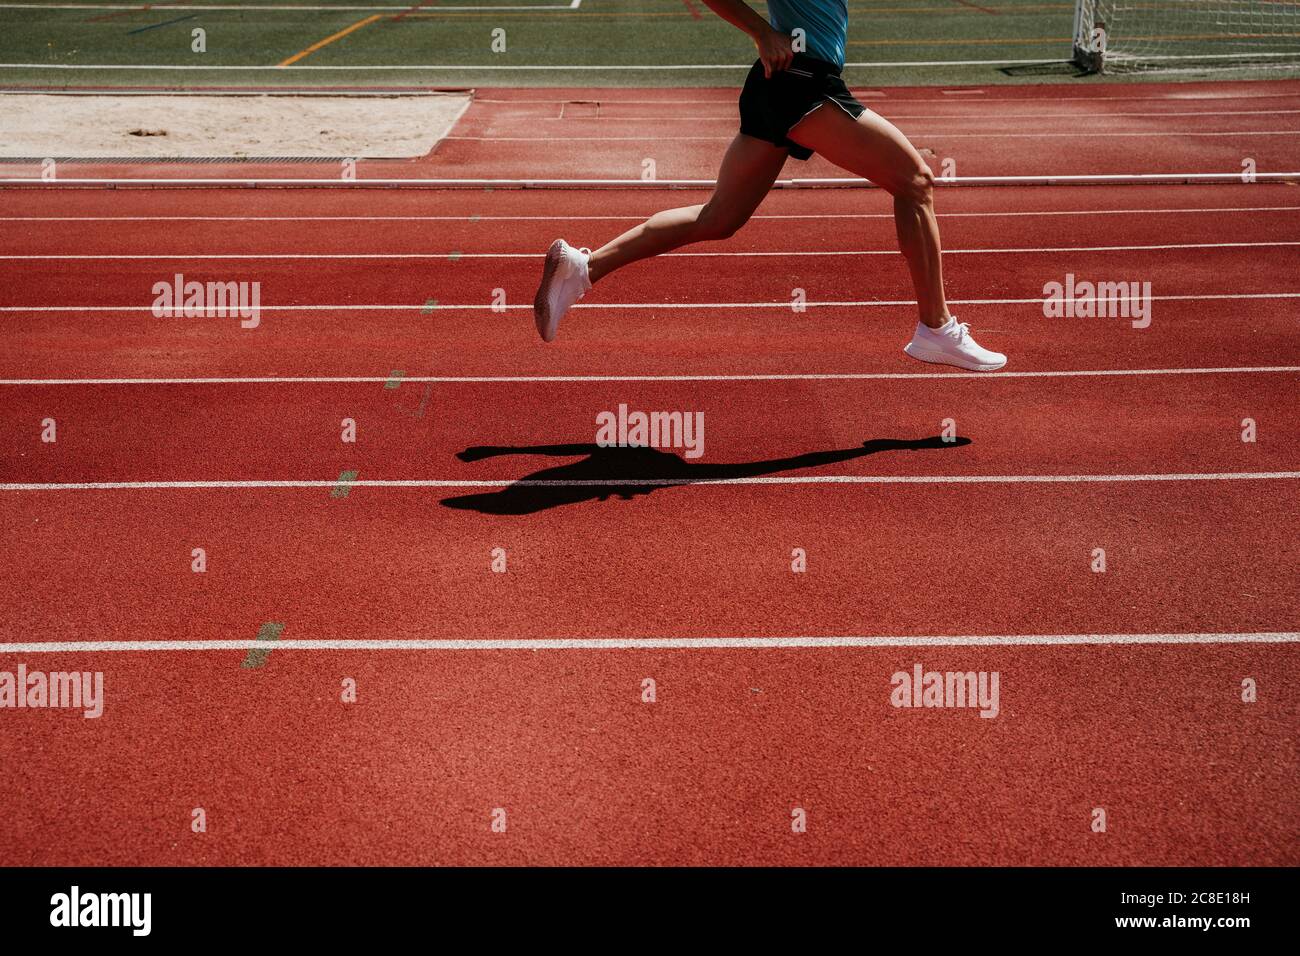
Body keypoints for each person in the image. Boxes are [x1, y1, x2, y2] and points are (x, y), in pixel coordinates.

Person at [532, 0, 1006, 372]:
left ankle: (584, 266)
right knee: (915, 181)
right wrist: (761, 30)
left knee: (718, 218)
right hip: (802, 83)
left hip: (780, 85)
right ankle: (936, 327)